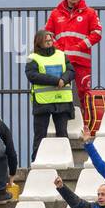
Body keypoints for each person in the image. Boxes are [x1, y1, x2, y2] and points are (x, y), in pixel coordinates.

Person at [46, 0, 103, 130]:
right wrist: (59, 50)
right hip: (62, 62)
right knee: (61, 93)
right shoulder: (55, 14)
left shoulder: (89, 13)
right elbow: (48, 35)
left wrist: (80, 46)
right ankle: (64, 127)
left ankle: (86, 127)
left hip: (82, 62)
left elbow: (97, 34)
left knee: (84, 94)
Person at [25, 28, 74, 160]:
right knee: (40, 135)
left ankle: (65, 159)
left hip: (61, 101)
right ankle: (36, 161)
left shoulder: (61, 55)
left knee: (63, 134)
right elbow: (32, 75)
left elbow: (71, 71)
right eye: (46, 40)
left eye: (50, 40)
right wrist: (56, 81)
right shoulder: (32, 58)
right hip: (43, 102)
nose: (49, 42)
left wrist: (64, 79)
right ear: (38, 42)